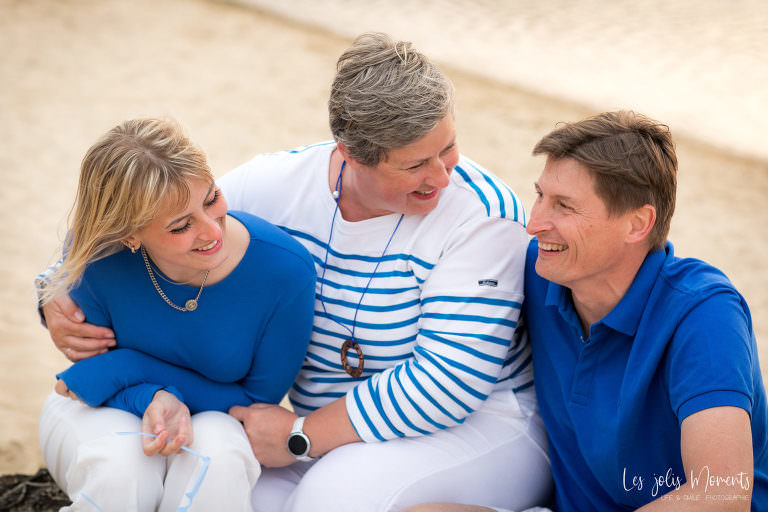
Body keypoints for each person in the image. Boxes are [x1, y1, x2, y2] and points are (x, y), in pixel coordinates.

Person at [40, 33, 553, 511]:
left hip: (484, 423)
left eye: (448, 148)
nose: (443, 175)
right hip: (314, 429)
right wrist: (51, 293)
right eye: (416, 164)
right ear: (350, 154)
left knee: (333, 499)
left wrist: (301, 435)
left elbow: (447, 383)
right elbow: (145, 217)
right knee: (218, 491)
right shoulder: (279, 184)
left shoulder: (481, 216)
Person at [406, 111, 768, 512]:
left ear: (637, 224)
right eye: (540, 195)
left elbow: (722, 494)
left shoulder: (704, 314)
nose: (535, 223)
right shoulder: (538, 272)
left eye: (563, 206)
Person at [37, 118, 316, 511]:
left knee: (218, 459)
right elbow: (89, 376)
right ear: (129, 236)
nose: (211, 231)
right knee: (122, 469)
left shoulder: (285, 271)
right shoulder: (100, 257)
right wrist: (151, 395)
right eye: (181, 226)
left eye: (211, 198)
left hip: (221, 418)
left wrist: (130, 366)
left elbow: (255, 404)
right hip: (103, 409)